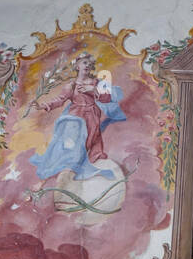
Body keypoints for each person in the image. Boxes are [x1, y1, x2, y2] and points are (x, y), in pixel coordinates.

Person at [28, 52, 125, 181]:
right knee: (73, 145)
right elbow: (60, 100)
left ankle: (83, 173)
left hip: (92, 117)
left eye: (90, 64)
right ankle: (65, 173)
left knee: (89, 143)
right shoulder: (72, 85)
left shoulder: (96, 82)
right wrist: (42, 106)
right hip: (75, 119)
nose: (88, 65)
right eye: (85, 62)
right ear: (77, 66)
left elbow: (107, 97)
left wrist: (92, 90)